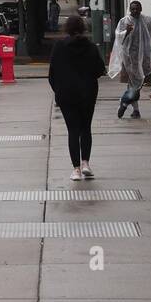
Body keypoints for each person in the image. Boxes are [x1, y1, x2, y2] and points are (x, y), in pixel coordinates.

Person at [49, 14, 108, 180]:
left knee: (72, 130)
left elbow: (52, 73)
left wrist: (59, 90)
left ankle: (75, 169)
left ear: (67, 28)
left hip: (67, 95)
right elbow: (99, 70)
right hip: (87, 94)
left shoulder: (59, 47)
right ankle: (86, 163)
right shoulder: (91, 47)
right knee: (86, 128)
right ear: (82, 28)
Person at [109, 0, 151, 119]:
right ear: (129, 9)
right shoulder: (124, 21)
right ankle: (128, 104)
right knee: (134, 84)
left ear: (141, 9)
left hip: (143, 59)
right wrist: (127, 31)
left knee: (137, 84)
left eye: (137, 8)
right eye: (133, 9)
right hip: (129, 59)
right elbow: (118, 38)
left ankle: (127, 103)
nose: (135, 11)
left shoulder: (147, 20)